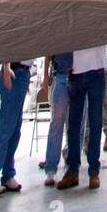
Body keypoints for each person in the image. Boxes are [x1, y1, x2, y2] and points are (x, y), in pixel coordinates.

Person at [58, 47, 107, 190]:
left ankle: (94, 171)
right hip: (76, 71)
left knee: (95, 122)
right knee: (73, 125)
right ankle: (72, 171)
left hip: (96, 68)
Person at [0, 59, 33, 197]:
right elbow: (8, 41)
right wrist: (6, 67)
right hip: (14, 72)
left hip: (22, 73)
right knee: (6, 129)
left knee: (15, 131)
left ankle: (8, 174)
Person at [42, 52, 72, 185]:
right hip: (60, 74)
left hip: (78, 75)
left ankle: (71, 165)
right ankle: (50, 168)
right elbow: (49, 47)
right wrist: (45, 76)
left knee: (76, 125)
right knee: (57, 122)